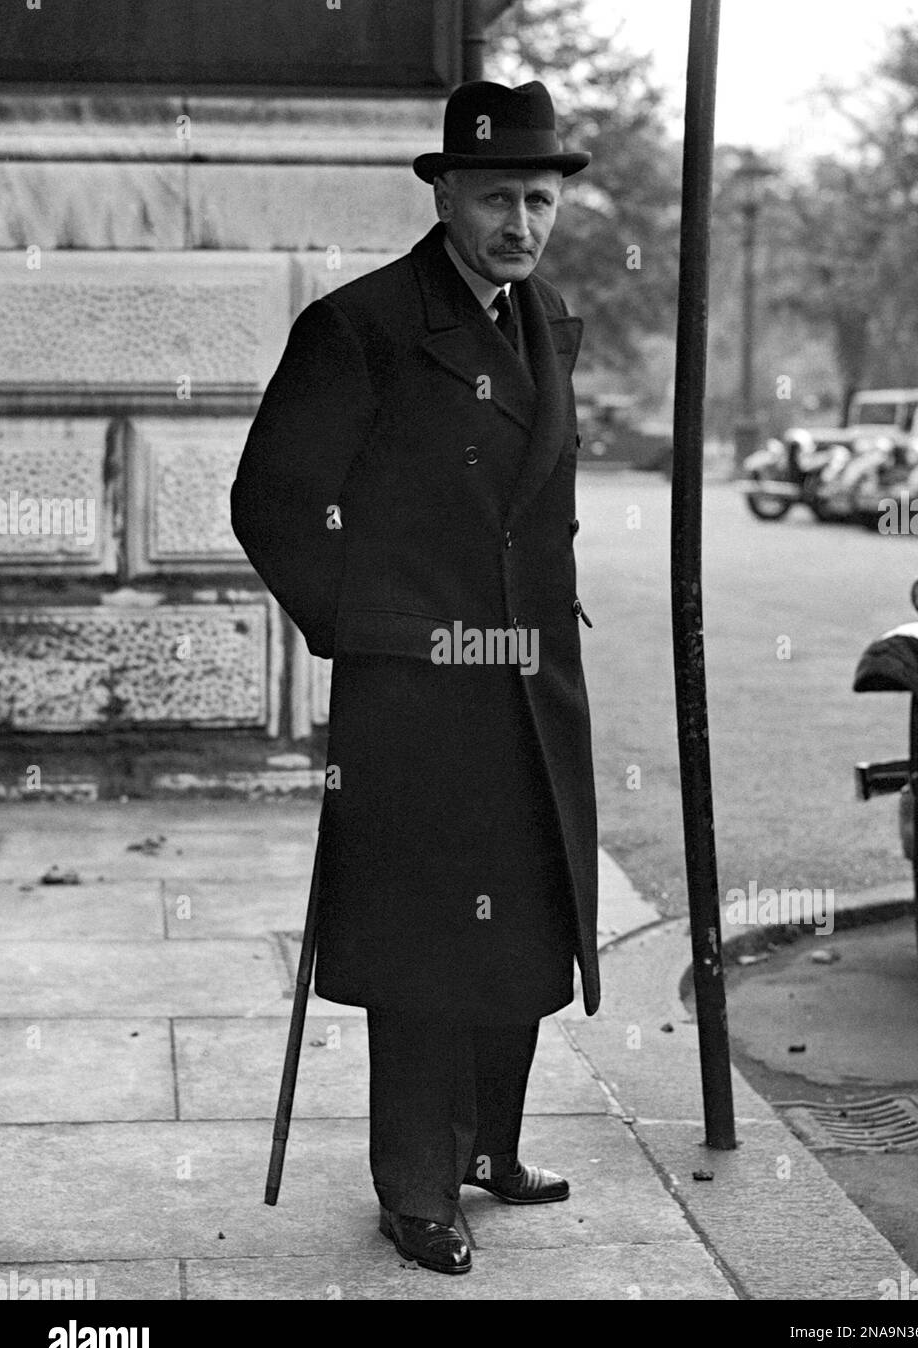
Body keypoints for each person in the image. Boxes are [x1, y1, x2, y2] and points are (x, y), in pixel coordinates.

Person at [231, 78, 599, 1276]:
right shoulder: (366, 325)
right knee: (431, 942)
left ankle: (491, 1145)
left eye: (540, 198)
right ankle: (416, 1187)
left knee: (529, 925)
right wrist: (374, 627)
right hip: (423, 695)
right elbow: (276, 504)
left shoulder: (545, 319)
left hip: (533, 686)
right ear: (445, 194)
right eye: (498, 195)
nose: (522, 222)